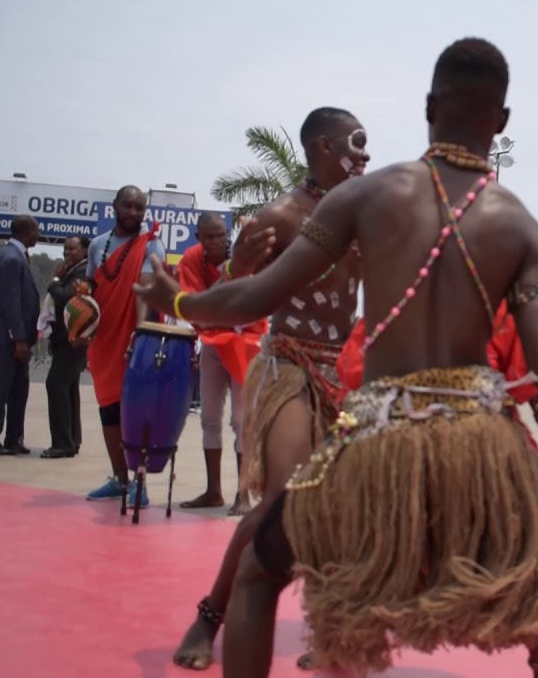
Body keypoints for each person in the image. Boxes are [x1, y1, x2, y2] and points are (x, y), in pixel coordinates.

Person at [137, 37, 538, 678]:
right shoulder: (522, 228)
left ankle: (214, 621)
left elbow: (247, 300)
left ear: (429, 106)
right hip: (483, 447)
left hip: (377, 439)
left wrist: (177, 300)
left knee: (261, 571)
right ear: (501, 121)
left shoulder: (365, 198)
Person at [170, 107, 369, 672]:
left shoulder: (360, 215)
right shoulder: (279, 217)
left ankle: (327, 627)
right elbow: (237, 295)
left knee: (346, 508)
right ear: (321, 148)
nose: (366, 156)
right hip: (288, 366)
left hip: (341, 376)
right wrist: (218, 279)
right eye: (356, 144)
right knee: (284, 503)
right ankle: (211, 615)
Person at [336, 303, 538, 678]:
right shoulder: (397, 297)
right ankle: (343, 655)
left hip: (490, 467)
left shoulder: (500, 305)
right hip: (408, 467)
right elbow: (356, 381)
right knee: (360, 567)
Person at [176, 212, 267, 515]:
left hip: (245, 345)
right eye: (209, 236)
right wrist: (227, 275)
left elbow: (256, 299)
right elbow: (193, 307)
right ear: (198, 237)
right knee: (209, 419)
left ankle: (244, 494)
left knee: (241, 422)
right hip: (212, 345)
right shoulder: (191, 259)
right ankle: (213, 491)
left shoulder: (245, 257)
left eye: (220, 235)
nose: (216, 241)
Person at [84, 186, 168, 507]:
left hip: (135, 340)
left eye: (139, 207)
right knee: (108, 411)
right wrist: (79, 321)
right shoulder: (96, 246)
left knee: (136, 415)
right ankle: (120, 479)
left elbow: (144, 293)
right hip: (102, 340)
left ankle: (140, 484)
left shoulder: (152, 245)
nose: (133, 212)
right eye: (127, 206)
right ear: (115, 207)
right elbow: (90, 288)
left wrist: (140, 336)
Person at [0, 216, 41, 456]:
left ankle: (14, 438)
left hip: (13, 336)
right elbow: (11, 301)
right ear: (28, 231)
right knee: (0, 389)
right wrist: (19, 338)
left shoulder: (11, 255)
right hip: (9, 339)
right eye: (36, 230)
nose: (38, 234)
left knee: (18, 390)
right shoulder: (13, 258)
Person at [42, 235, 91, 459]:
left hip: (73, 340)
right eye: (64, 249)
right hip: (67, 339)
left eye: (71, 249)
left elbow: (64, 298)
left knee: (56, 384)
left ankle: (62, 443)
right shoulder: (75, 271)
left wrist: (54, 281)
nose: (66, 253)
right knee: (69, 388)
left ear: (85, 251)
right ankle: (72, 439)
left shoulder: (83, 274)